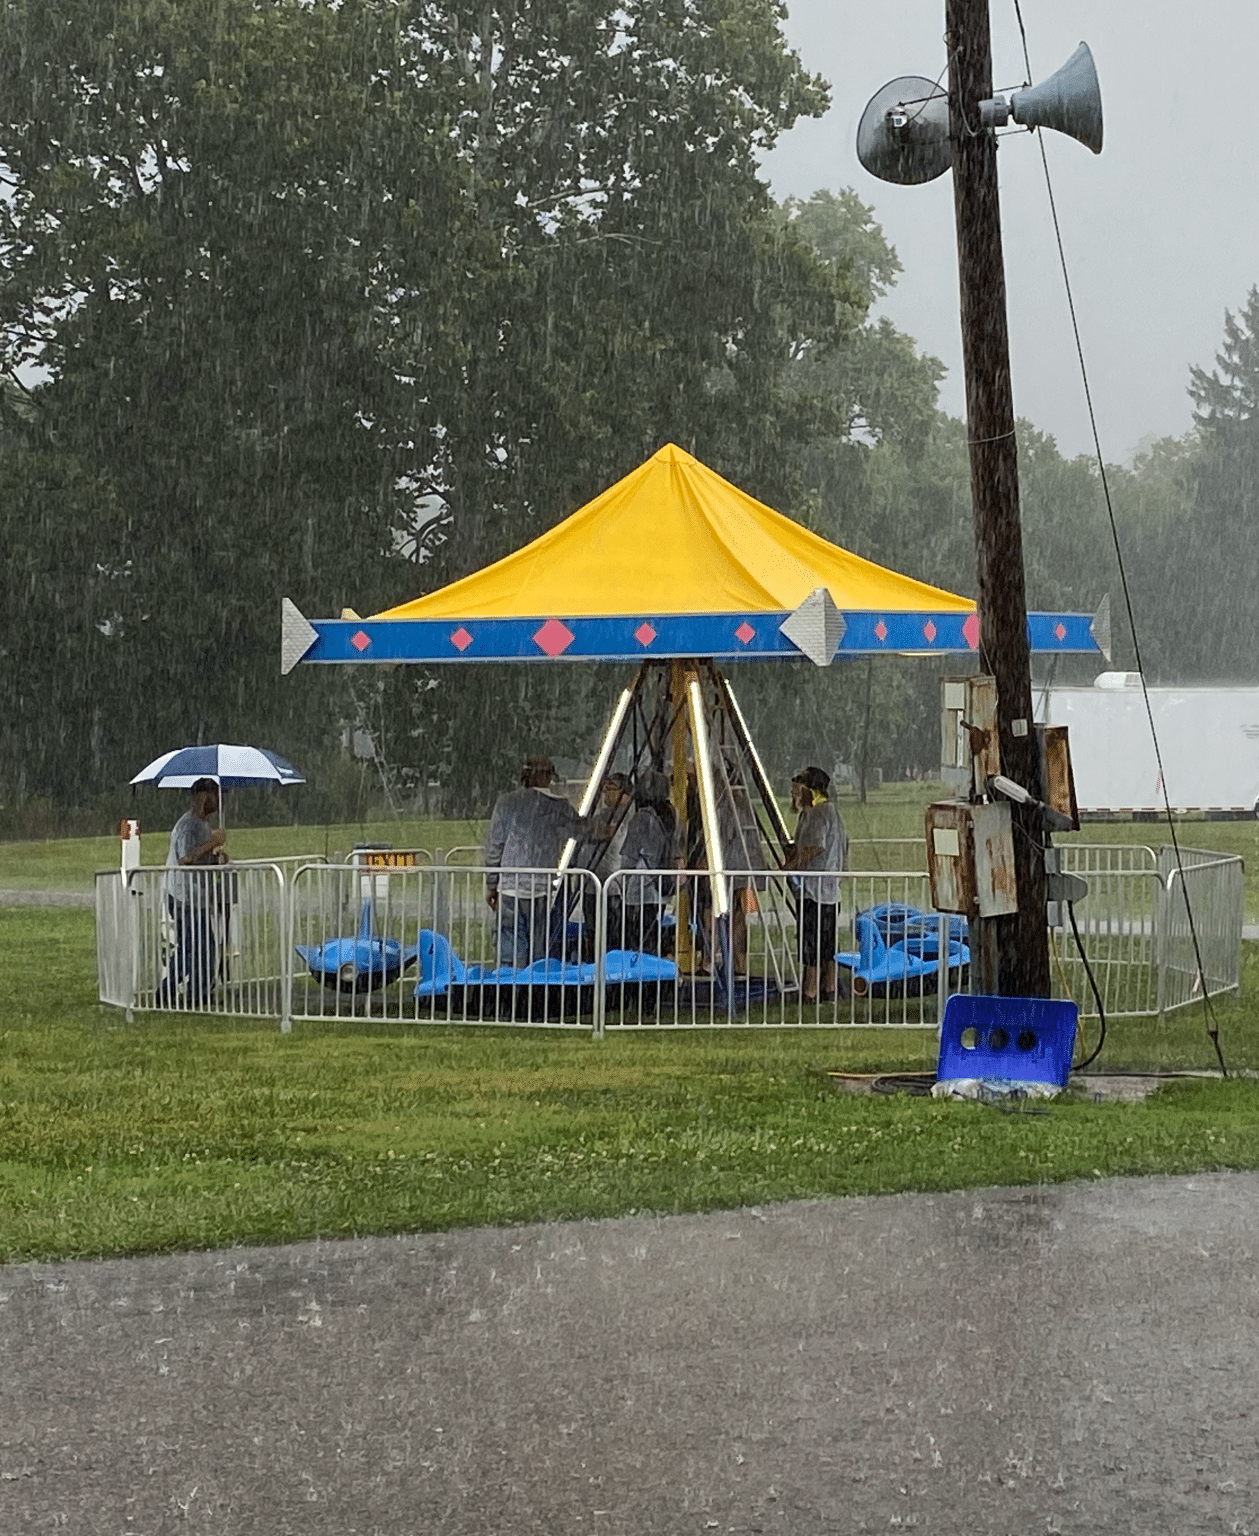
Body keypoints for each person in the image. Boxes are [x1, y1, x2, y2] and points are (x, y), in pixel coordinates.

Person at [484, 755, 585, 967]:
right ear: (548, 776)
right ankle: (534, 993)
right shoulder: (559, 807)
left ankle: (510, 990)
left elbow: (496, 846)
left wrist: (492, 883)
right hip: (541, 887)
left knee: (510, 946)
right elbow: (583, 830)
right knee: (538, 949)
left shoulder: (506, 803)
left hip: (510, 885)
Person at [158, 778, 228, 1008]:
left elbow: (201, 859)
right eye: (213, 796)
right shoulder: (188, 826)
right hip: (182, 897)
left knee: (205, 948)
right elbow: (186, 858)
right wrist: (212, 843)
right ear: (200, 797)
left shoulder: (203, 825)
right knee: (191, 950)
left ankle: (196, 994)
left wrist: (217, 858)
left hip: (196, 899)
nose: (217, 801)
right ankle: (165, 992)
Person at [783, 765, 848, 1004]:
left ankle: (812, 989)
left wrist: (793, 865)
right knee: (823, 939)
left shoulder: (822, 813)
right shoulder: (810, 814)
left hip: (818, 887)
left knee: (814, 940)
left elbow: (816, 846)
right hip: (819, 887)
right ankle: (827, 987)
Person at [612, 772, 678, 955]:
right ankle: (654, 955)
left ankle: (640, 963)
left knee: (637, 929)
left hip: (641, 885)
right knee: (651, 924)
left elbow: (629, 856)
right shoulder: (671, 814)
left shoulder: (641, 818)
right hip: (661, 882)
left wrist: (620, 880)